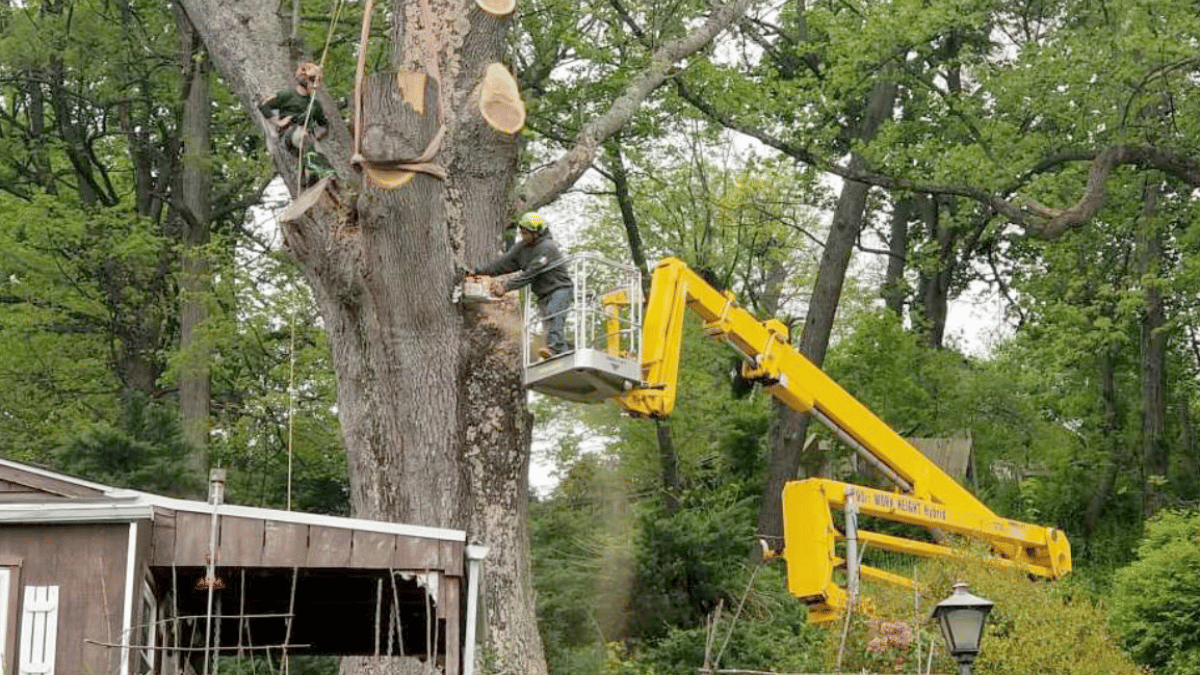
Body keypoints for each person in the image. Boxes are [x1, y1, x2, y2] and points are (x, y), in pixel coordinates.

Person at [470, 212, 574, 359]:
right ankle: (562, 355)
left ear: (536, 233)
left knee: (553, 314)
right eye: (521, 232)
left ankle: (555, 349)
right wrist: (478, 271)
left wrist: (505, 287)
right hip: (543, 294)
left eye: (526, 233)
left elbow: (529, 275)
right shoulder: (522, 248)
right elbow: (502, 263)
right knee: (548, 325)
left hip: (560, 289)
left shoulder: (547, 248)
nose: (522, 235)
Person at [258, 61, 335, 187]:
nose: (315, 85)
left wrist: (318, 135)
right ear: (304, 80)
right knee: (302, 135)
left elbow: (324, 125)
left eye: (317, 81)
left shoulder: (315, 105)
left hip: (307, 137)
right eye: (313, 80)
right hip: (289, 134)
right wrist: (278, 121)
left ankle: (307, 175)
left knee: (309, 141)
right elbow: (263, 105)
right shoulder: (287, 95)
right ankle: (316, 171)